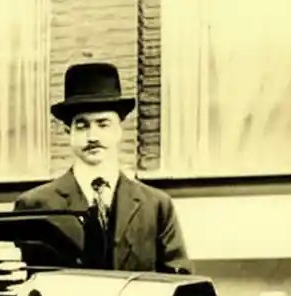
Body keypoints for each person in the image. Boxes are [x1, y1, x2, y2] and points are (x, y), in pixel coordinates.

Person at [13, 61, 192, 274]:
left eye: (103, 124)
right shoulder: (35, 206)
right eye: (82, 126)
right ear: (67, 132)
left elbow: (180, 287)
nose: (93, 137)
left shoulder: (156, 207)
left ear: (119, 129)